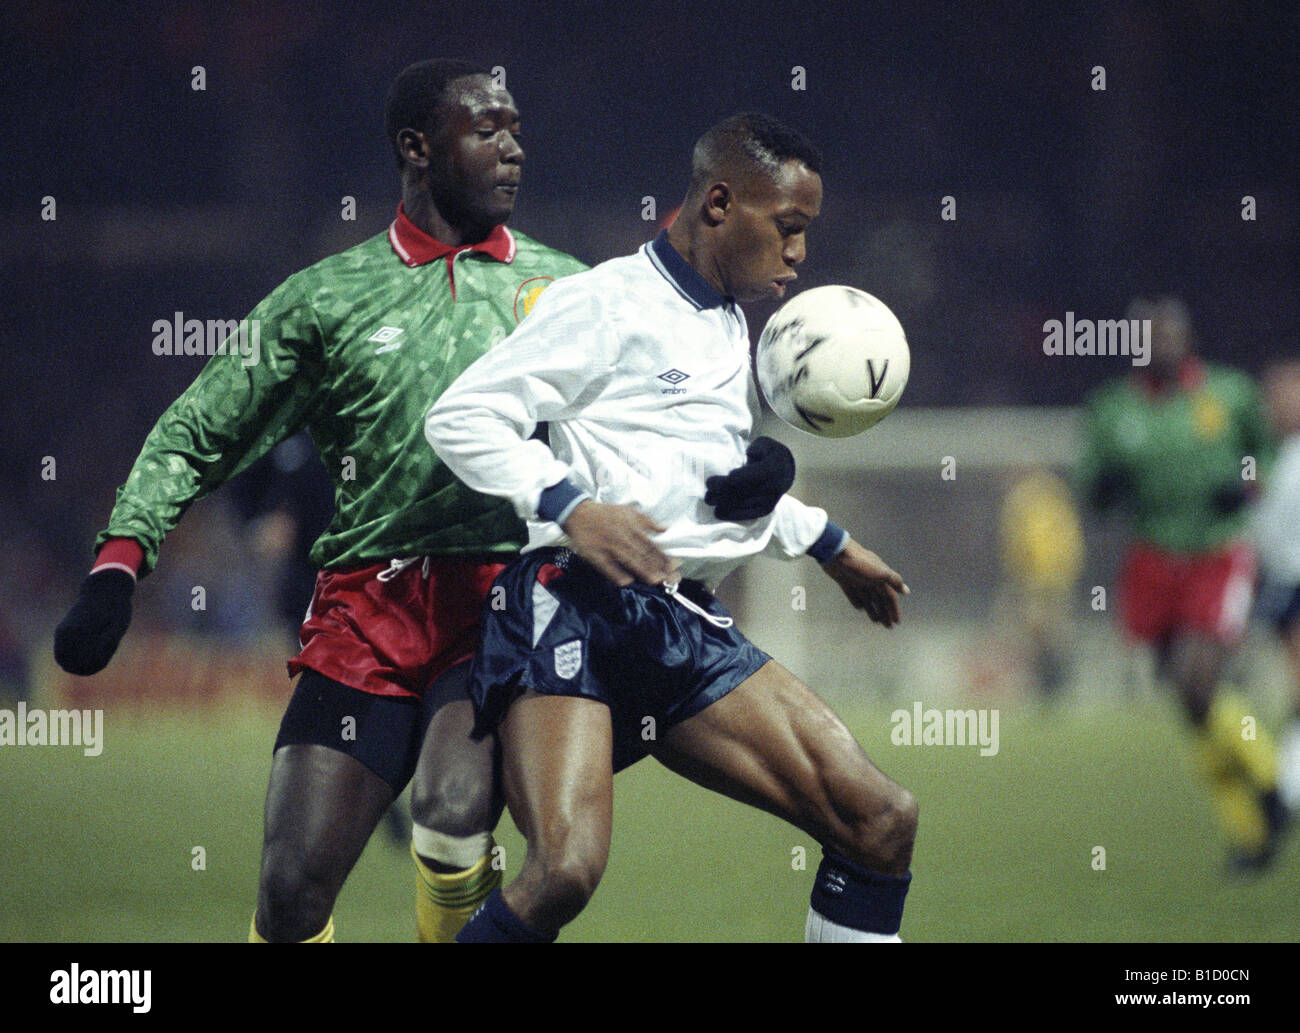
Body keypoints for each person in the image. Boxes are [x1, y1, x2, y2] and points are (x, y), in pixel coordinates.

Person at [52, 58, 588, 941]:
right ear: (417, 147)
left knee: (451, 812)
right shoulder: (324, 300)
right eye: (487, 130)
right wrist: (119, 561)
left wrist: (735, 463)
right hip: (364, 614)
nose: (514, 149)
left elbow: (655, 411)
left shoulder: (566, 291)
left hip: (501, 602)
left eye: (517, 129)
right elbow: (197, 428)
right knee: (293, 890)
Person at [426, 112, 918, 943]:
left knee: (880, 820)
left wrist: (822, 540)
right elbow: (462, 417)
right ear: (720, 203)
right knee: (564, 872)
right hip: (570, 605)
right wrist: (571, 508)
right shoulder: (604, 302)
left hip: (677, 622)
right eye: (788, 229)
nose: (799, 254)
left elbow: (683, 490)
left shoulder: (729, 323)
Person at [1077, 296, 1285, 873]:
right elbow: (1090, 487)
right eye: (1147, 335)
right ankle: (1250, 834)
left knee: (1197, 683)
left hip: (1218, 553)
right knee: (1192, 704)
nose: (1159, 344)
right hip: (1151, 561)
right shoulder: (1112, 408)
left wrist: (1244, 486)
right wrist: (1105, 484)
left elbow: (1264, 457)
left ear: (1187, 337)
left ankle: (1274, 787)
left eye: (1168, 333)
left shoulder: (1230, 393)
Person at [1251, 360, 1300, 808]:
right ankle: (1285, 781)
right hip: (1285, 585)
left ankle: (1285, 784)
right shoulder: (1272, 460)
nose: (1279, 404)